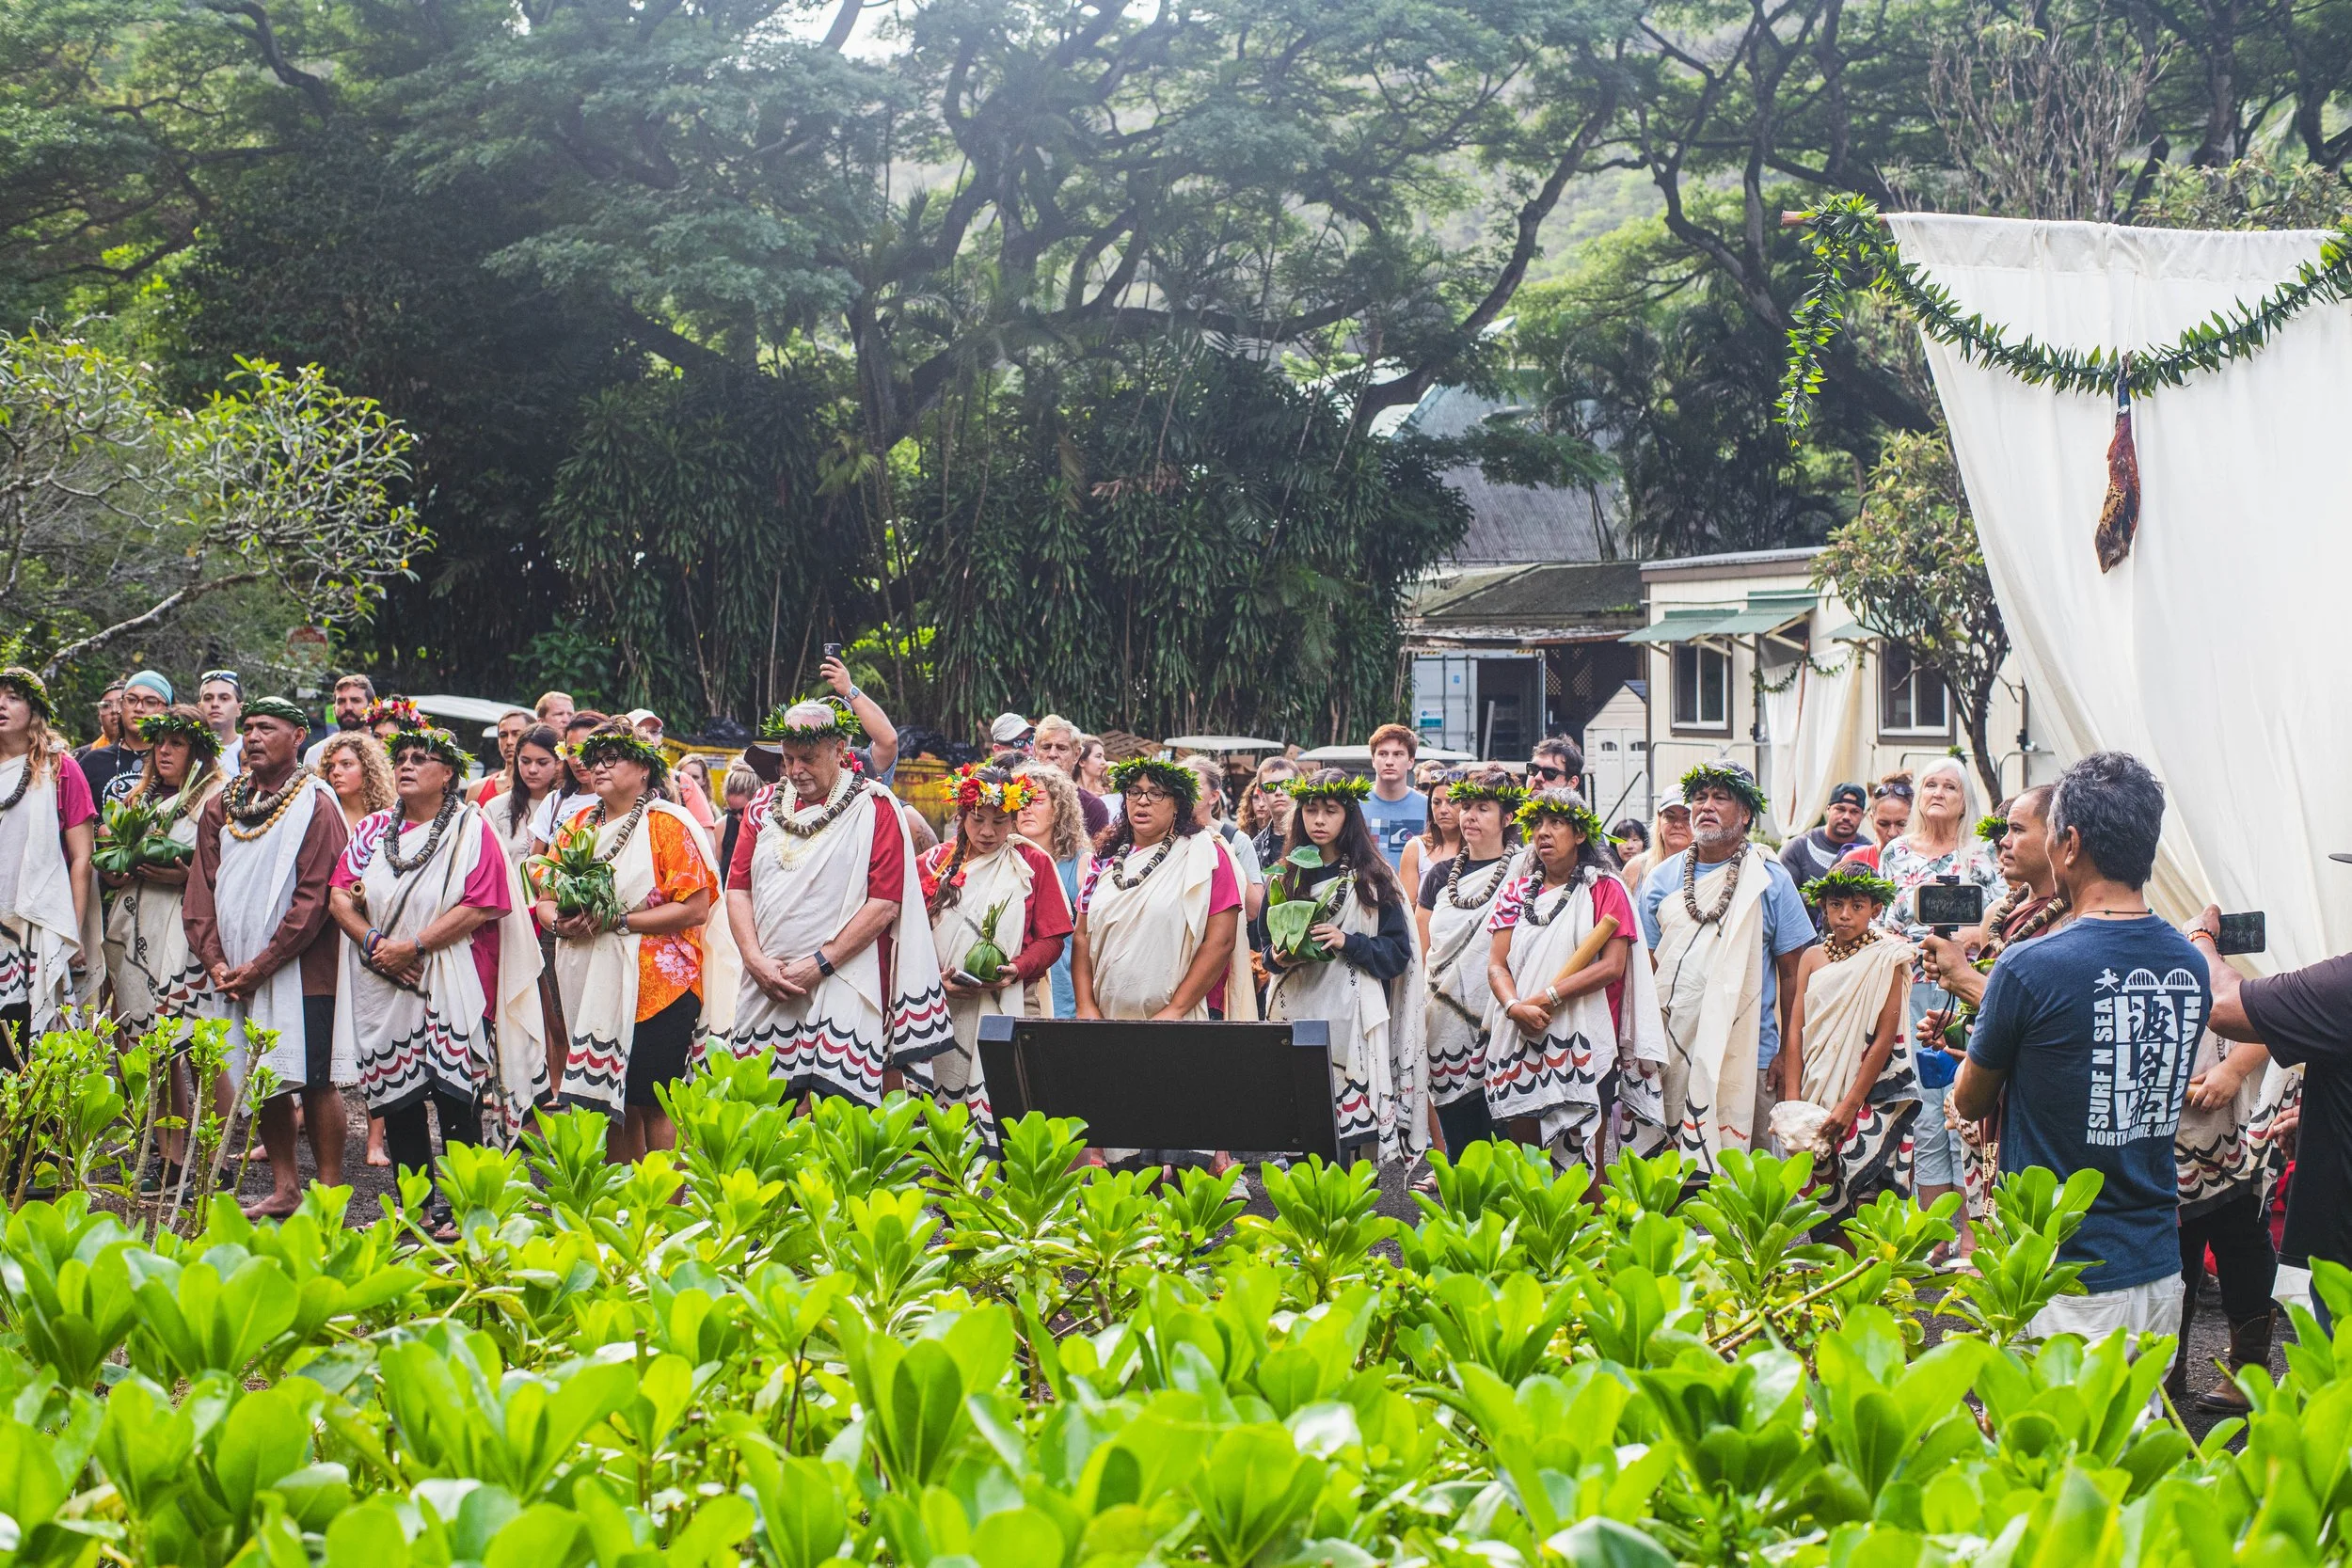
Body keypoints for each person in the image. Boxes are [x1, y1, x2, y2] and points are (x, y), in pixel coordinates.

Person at [1953, 751, 2204, 1341]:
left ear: (2068, 843)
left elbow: (1968, 1100)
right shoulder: (2188, 963)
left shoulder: (2031, 966)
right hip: (2159, 1267)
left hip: (2063, 1278)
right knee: (2134, 1431)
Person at [328, 726, 545, 1230]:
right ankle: (416, 1210)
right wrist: (376, 944)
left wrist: (415, 945)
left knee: (456, 1098)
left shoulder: (472, 829)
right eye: (400, 757)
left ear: (447, 774)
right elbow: (340, 895)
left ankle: (462, 1210)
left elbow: (485, 900)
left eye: (420, 758)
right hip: (381, 978)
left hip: (450, 977)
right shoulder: (372, 829)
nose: (406, 765)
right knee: (397, 1100)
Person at [723, 701, 945, 1105]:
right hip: (768, 980)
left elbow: (884, 903)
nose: (794, 770)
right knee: (761, 1114)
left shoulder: (874, 807)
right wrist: (755, 961)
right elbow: (738, 889)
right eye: (788, 758)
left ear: (841, 750)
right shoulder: (762, 805)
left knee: (834, 1115)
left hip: (845, 978)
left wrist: (819, 964)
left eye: (807, 758)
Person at [183, 696, 351, 1218]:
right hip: (232, 969)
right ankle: (285, 1187)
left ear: (298, 736)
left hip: (302, 970)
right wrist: (215, 960)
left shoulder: (318, 803)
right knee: (262, 1075)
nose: (253, 737)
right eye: (248, 728)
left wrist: (261, 965)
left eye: (267, 728)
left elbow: (315, 897)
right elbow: (201, 890)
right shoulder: (221, 804)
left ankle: (326, 1194)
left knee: (315, 1077)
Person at [539, 724, 733, 1159]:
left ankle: (662, 1211)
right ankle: (622, 1209)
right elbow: (545, 899)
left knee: (653, 1101)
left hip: (660, 986)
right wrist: (558, 924)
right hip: (591, 981)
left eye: (613, 758)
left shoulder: (667, 825)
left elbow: (695, 907)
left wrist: (619, 920)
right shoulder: (574, 829)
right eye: (596, 759)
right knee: (609, 1103)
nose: (599, 767)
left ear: (644, 769)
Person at [1637, 762, 1816, 1165]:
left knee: (1744, 1175)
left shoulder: (1771, 878)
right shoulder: (1661, 880)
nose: (1706, 807)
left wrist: (1788, 1055)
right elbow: (1646, 972)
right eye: (1700, 797)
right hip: (1675, 1048)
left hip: (1750, 1052)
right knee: (1675, 1176)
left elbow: (1794, 974)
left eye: (1720, 798)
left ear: (1747, 813)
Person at [1486, 788, 1666, 1167]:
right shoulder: (1516, 891)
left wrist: (1546, 998)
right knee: (1529, 1167)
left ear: (1580, 834)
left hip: (1585, 1046)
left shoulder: (1605, 887)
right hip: (1522, 1035)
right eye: (1537, 824)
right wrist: (1514, 1005)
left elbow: (1611, 966)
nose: (1543, 833)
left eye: (1556, 823)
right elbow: (1497, 965)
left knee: (1585, 1171)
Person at [1259, 769, 1423, 1164]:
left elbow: (1398, 954)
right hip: (1296, 1013)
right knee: (1304, 1140)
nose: (1318, 820)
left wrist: (1347, 941)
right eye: (1311, 810)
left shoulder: (1373, 879)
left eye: (1330, 811)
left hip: (1351, 1020)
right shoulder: (1285, 877)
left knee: (1350, 1146)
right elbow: (1263, 948)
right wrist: (1277, 957)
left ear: (1348, 816)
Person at [1879, 756, 2003, 1217]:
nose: (1937, 793)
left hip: (1970, 992)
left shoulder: (1983, 855)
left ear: (1964, 799)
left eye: (1949, 787)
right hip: (1913, 989)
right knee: (1926, 1105)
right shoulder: (1896, 853)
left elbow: (2001, 922)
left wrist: (1972, 937)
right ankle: (1934, 1232)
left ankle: (1972, 1233)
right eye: (1930, 784)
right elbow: (1882, 922)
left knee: (1967, 1099)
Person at [917, 766, 1073, 1117]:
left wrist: (1017, 969)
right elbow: (907, 939)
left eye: (1000, 821)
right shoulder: (932, 865)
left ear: (1015, 818)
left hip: (1012, 1002)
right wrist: (934, 981)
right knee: (940, 1114)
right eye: (977, 819)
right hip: (941, 1004)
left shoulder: (1033, 863)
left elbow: (1052, 939)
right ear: (961, 815)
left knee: (1008, 1105)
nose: (988, 832)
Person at [1779, 866, 1918, 1227]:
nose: (1844, 915)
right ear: (1822, 906)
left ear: (1875, 910)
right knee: (1821, 1205)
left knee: (1867, 1203)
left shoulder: (1888, 957)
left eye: (1857, 906)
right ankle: (1834, 1279)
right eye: (1836, 905)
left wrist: (1850, 1104)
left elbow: (1885, 1039)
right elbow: (1796, 1032)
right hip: (1817, 1088)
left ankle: (1868, 1280)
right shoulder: (1812, 957)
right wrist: (1794, 1104)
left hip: (1867, 1093)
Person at [1071, 757, 1249, 1025]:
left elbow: (1221, 941)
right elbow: (1082, 936)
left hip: (1178, 1022)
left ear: (1177, 802)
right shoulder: (1104, 860)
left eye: (1156, 793)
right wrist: (1086, 1007)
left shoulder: (1204, 854)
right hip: (1103, 1021)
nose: (1142, 801)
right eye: (1134, 792)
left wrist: (1175, 1011)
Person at [1419, 769, 1520, 1156]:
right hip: (1444, 1023)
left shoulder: (1526, 871)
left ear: (1507, 818)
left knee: (1504, 1143)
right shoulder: (1440, 877)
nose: (1469, 816)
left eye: (1483, 808)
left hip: (1502, 1021)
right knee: (1462, 1148)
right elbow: (1424, 946)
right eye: (1466, 807)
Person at [0, 669, 97, 1053]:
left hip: (37, 927)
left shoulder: (60, 768)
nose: (1, 704)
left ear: (36, 710)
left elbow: (81, 857)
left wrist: (70, 931)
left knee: (30, 1051)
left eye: (13, 697)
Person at [1010, 759, 1091, 1018]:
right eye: (1020, 801)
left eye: (1037, 800)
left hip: (1064, 1004)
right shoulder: (1002, 862)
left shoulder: (1082, 865)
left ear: (1059, 809)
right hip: (1010, 996)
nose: (1026, 809)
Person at [1183, 753, 1264, 920]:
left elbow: (1254, 910)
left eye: (1194, 786)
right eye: (1180, 786)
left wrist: (1229, 859)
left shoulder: (1235, 840)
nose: (1185, 793)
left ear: (1213, 796)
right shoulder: (1165, 837)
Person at [87, 670, 172, 804]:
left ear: (167, 709)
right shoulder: (92, 762)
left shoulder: (173, 762)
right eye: (131, 700)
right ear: (122, 705)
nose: (139, 708)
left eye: (150, 702)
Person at [1778, 782, 1870, 903]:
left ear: (1862, 816)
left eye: (1854, 812)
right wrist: (1818, 897)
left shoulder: (1868, 851)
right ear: (1828, 809)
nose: (1846, 817)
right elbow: (1782, 898)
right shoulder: (1798, 848)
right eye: (1840, 809)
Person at [528, 711, 607, 853]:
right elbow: (533, 863)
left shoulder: (621, 800)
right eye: (571, 751)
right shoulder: (555, 801)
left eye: (585, 750)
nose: (577, 761)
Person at [1359, 724, 1426, 869]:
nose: (1389, 761)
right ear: (1373, 760)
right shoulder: (1355, 803)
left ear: (1411, 762)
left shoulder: (1427, 807)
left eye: (1398, 754)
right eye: (1383, 754)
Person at [1398, 762, 1458, 919]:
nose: (1443, 810)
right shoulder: (1416, 848)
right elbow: (1407, 911)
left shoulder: (1476, 849)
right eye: (1436, 802)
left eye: (1452, 801)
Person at [1032, 715, 1109, 836]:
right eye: (1046, 747)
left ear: (1077, 755)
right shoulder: (1020, 798)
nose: (1052, 754)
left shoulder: (1094, 808)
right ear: (1035, 751)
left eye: (1061, 748)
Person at [316, 732, 397, 832]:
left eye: (346, 764)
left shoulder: (390, 816)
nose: (335, 772)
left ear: (367, 767)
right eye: (331, 767)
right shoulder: (321, 815)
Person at [1835, 776, 1915, 871]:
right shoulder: (1854, 860)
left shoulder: (1922, 863)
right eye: (1883, 824)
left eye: (1901, 824)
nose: (1892, 833)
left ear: (1912, 821)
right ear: (1872, 819)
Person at [1618, 787, 1691, 891]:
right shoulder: (1635, 868)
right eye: (1670, 817)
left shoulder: (1709, 870)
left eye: (1687, 818)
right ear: (1659, 821)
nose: (1678, 824)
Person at [1240, 756, 1301, 872]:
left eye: (1287, 785)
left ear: (1298, 787)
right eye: (1270, 787)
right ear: (1261, 793)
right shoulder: (1255, 846)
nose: (1278, 792)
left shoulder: (1312, 836)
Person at [304, 674, 377, 766]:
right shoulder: (315, 754)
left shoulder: (385, 749)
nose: (348, 707)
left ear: (372, 707)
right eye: (341, 701)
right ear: (334, 708)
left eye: (355, 700)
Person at [471, 709, 532, 806]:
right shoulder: (477, 789)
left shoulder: (541, 789)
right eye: (503, 735)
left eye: (516, 734)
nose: (509, 741)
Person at [196, 671, 246, 775]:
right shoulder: (188, 748)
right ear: (199, 707)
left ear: (240, 708)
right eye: (208, 698)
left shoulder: (249, 749)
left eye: (224, 698)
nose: (215, 704)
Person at [73, 681, 125, 765]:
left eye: (121, 703)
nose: (114, 710)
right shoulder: (79, 757)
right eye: (106, 705)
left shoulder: (151, 754)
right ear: (99, 716)